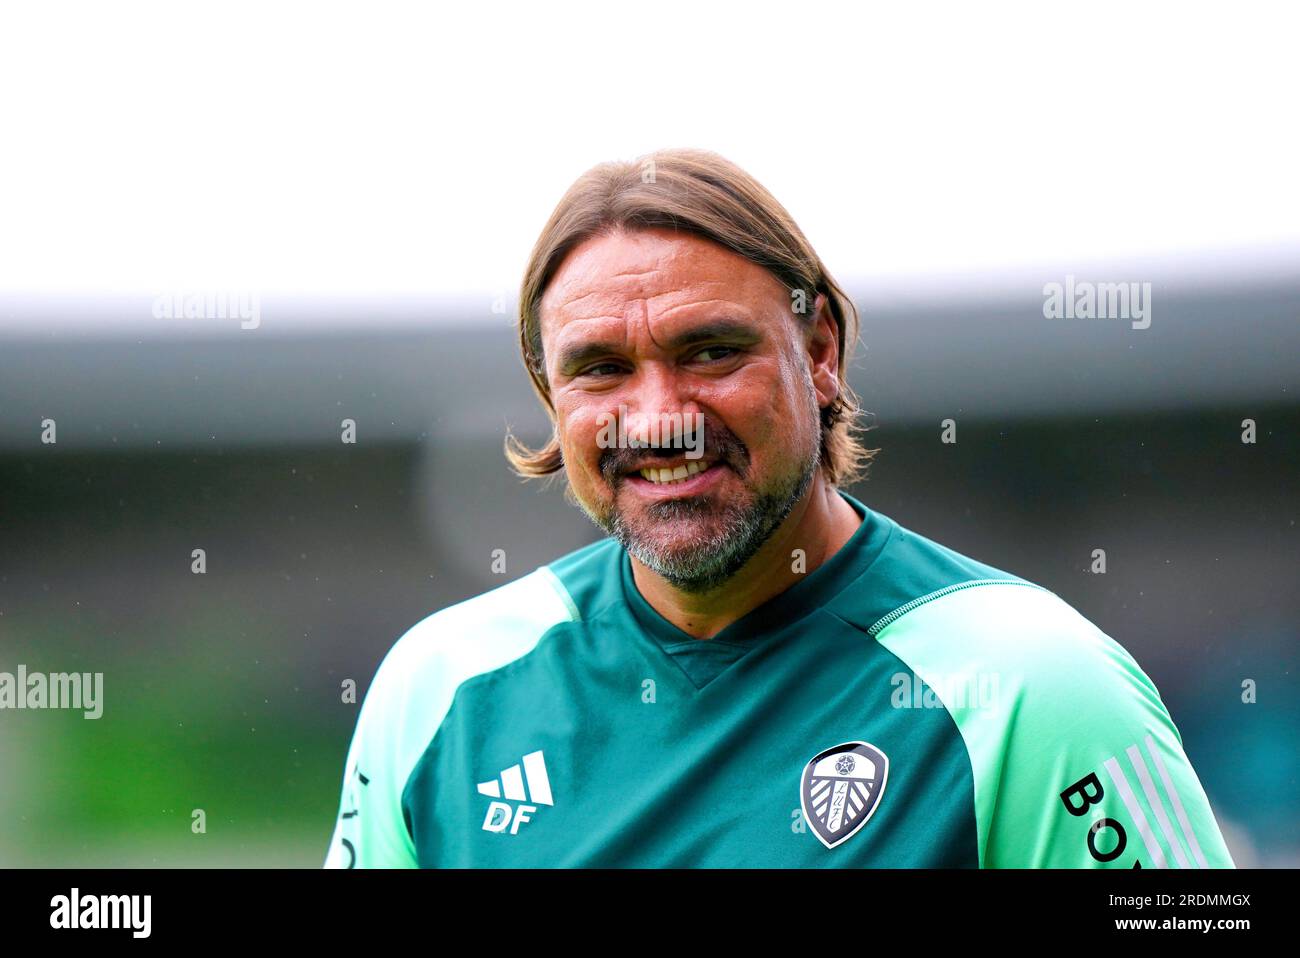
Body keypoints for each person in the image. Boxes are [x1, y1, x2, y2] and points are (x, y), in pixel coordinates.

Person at [325, 148, 1234, 867]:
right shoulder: (441, 689)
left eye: (711, 351)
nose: (660, 418)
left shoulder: (1035, 687)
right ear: (549, 393)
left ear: (821, 351)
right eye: (601, 368)